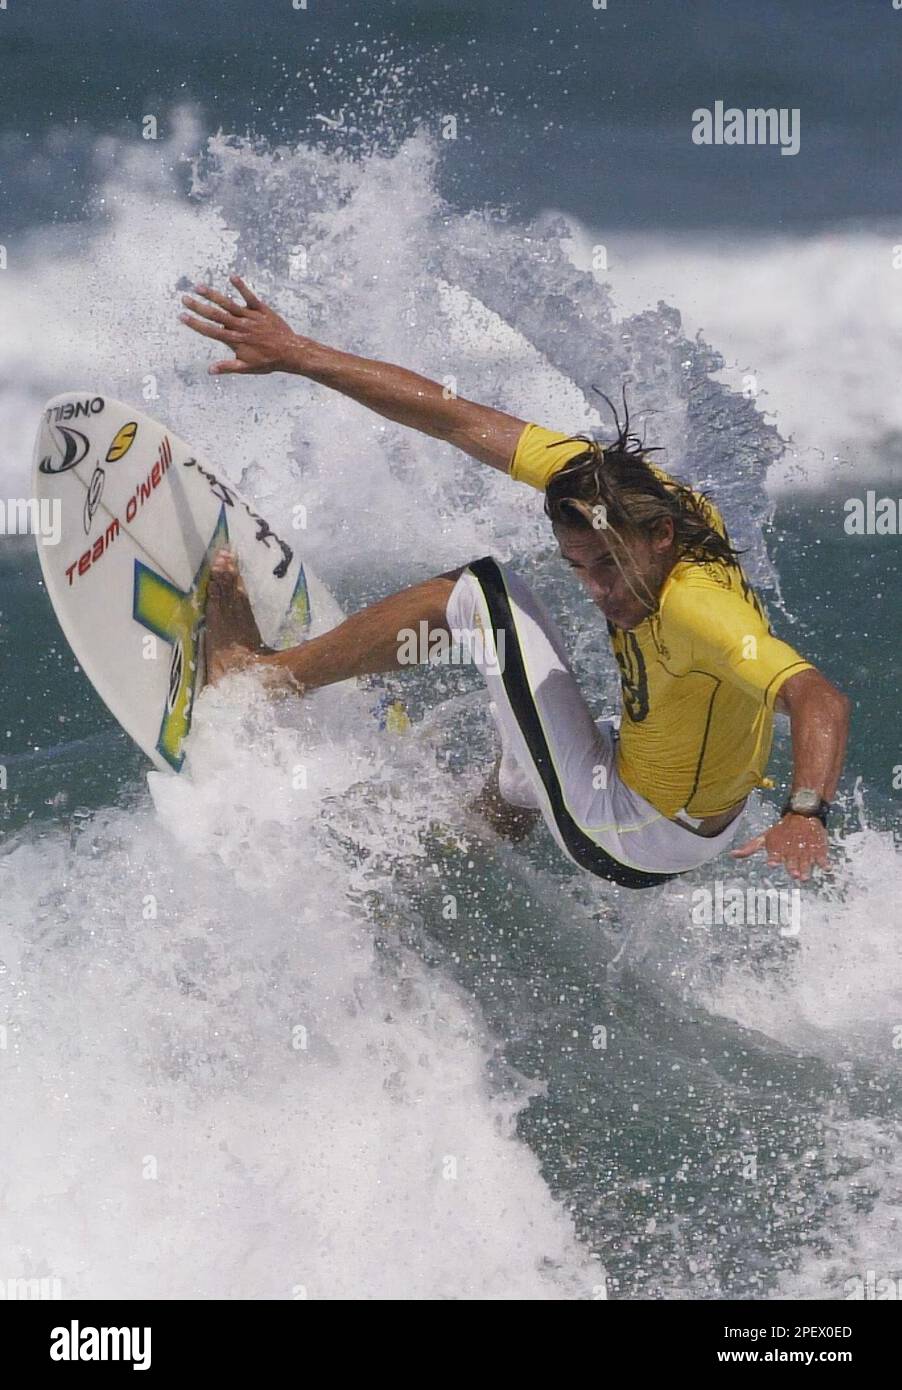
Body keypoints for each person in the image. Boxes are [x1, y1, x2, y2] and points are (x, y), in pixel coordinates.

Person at [179, 275, 850, 887]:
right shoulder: (613, 490)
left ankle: (262, 678)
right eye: (580, 567)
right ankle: (471, 845)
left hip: (636, 829)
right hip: (678, 809)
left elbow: (819, 699)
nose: (598, 590)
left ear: (660, 538)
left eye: (610, 566)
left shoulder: (700, 611)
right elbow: (455, 417)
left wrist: (805, 813)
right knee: (533, 720)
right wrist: (300, 353)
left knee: (479, 595)